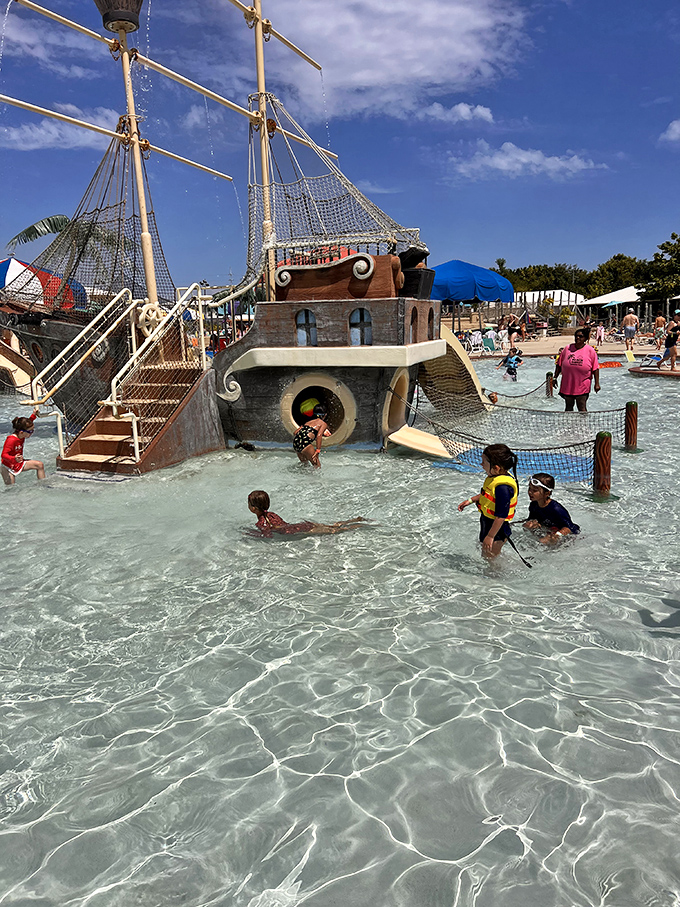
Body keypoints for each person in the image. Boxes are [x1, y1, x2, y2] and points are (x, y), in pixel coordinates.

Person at [458, 443, 518, 558]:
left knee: (490, 559)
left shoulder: (503, 488)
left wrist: (490, 536)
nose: (481, 464)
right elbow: (488, 496)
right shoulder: (495, 478)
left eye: (484, 462)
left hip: (497, 531)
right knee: (486, 554)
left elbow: (501, 515)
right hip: (489, 524)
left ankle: (495, 575)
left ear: (496, 468)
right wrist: (470, 501)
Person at [247, 490, 368, 537]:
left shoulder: (261, 522)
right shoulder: (271, 514)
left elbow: (267, 535)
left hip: (300, 530)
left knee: (335, 531)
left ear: (253, 508)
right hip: (302, 525)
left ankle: (357, 526)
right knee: (333, 526)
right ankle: (353, 520)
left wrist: (251, 534)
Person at [523, 473, 580, 544]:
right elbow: (532, 520)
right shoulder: (534, 505)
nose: (530, 492)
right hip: (550, 529)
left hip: (570, 536)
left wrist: (557, 535)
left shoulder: (556, 509)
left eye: (534, 490)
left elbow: (570, 528)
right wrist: (531, 524)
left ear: (547, 493)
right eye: (529, 488)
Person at [553, 329, 600, 412]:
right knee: (568, 407)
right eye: (576, 336)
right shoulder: (567, 348)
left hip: (582, 384)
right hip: (568, 384)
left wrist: (597, 384)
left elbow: (595, 368)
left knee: (581, 407)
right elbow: (559, 365)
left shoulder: (590, 351)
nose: (578, 338)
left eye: (580, 336)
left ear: (585, 338)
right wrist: (554, 378)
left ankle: (583, 424)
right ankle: (569, 424)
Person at [2, 408, 45, 485]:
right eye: (30, 431)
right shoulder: (11, 440)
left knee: (39, 465)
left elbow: (28, 423)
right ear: (21, 432)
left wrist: (34, 415)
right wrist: (13, 459)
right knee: (12, 489)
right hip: (7, 467)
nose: (32, 433)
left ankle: (43, 486)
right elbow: (3, 455)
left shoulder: (21, 434)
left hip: (18, 463)